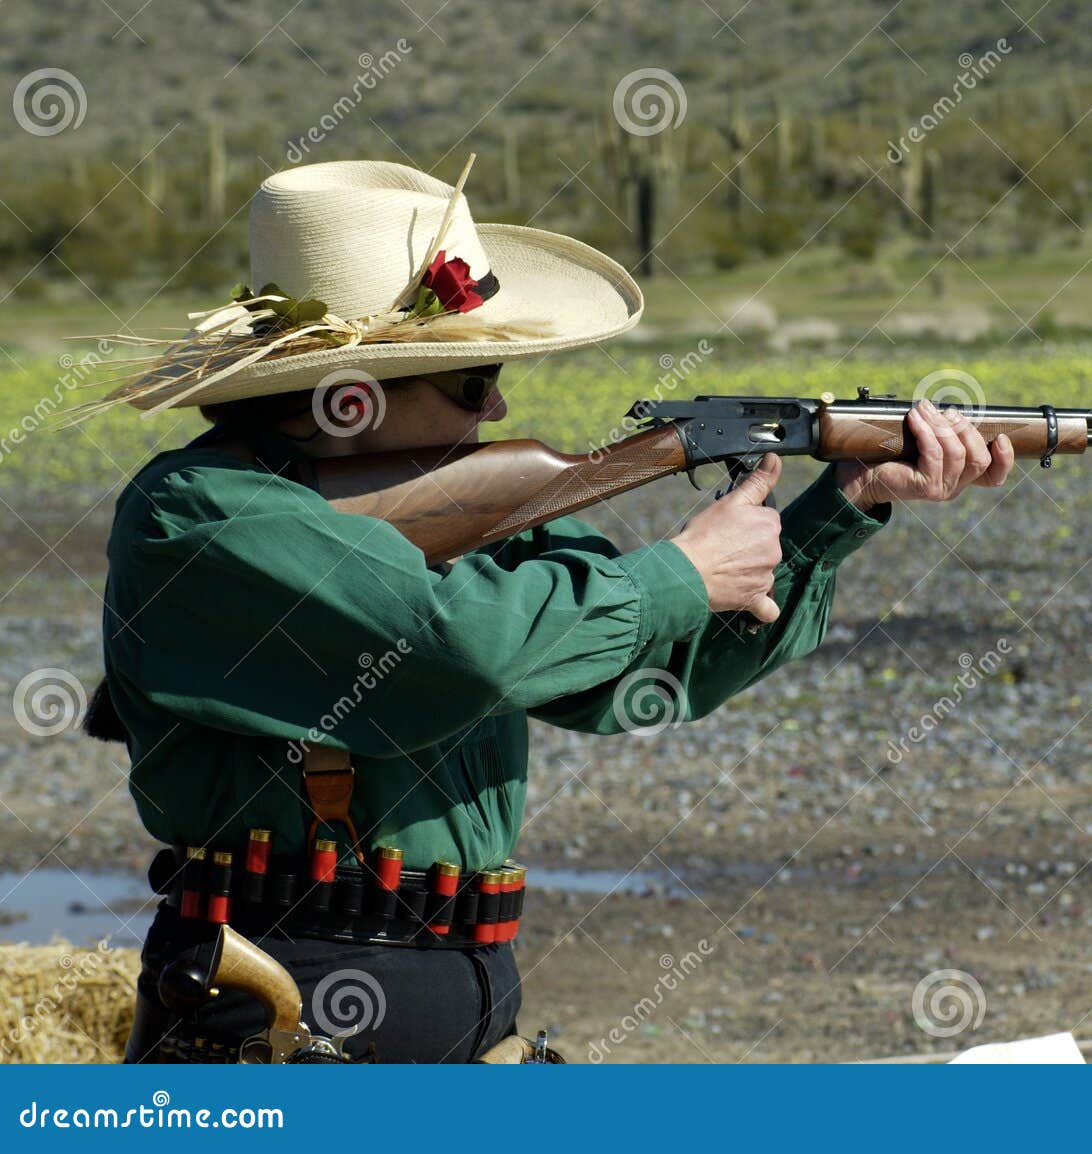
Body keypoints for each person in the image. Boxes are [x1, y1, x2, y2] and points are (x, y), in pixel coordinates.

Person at [85, 159, 1014, 1063]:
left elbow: (651, 676)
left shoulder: (444, 518)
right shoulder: (203, 512)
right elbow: (463, 650)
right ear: (349, 399)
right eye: (470, 377)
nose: (497, 401)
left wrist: (843, 506)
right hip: (283, 995)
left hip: (464, 996)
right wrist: (679, 573)